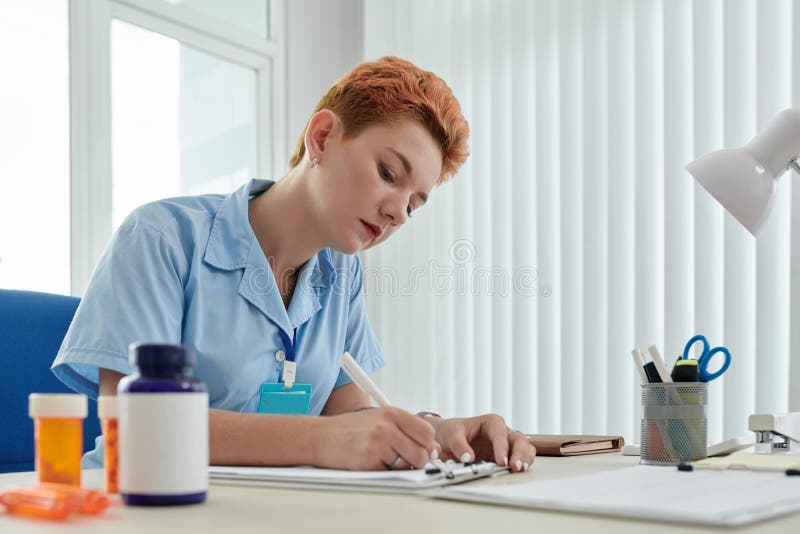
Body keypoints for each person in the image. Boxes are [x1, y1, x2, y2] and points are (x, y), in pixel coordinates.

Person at [52, 56, 536, 473]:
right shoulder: (161, 237)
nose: (397, 213)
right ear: (322, 138)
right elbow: (138, 425)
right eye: (389, 173)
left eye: (413, 205)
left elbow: (349, 419)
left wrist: (434, 433)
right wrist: (319, 441)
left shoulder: (341, 274)